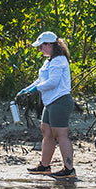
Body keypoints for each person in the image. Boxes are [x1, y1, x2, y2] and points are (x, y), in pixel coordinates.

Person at [18, 31, 76, 179]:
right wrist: (27, 89)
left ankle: (69, 169)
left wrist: (35, 89)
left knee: (60, 134)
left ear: (50, 45)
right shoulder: (48, 61)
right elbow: (40, 80)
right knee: (46, 131)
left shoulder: (59, 60)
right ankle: (44, 166)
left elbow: (53, 82)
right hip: (50, 102)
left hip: (60, 101)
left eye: (42, 46)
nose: (40, 49)